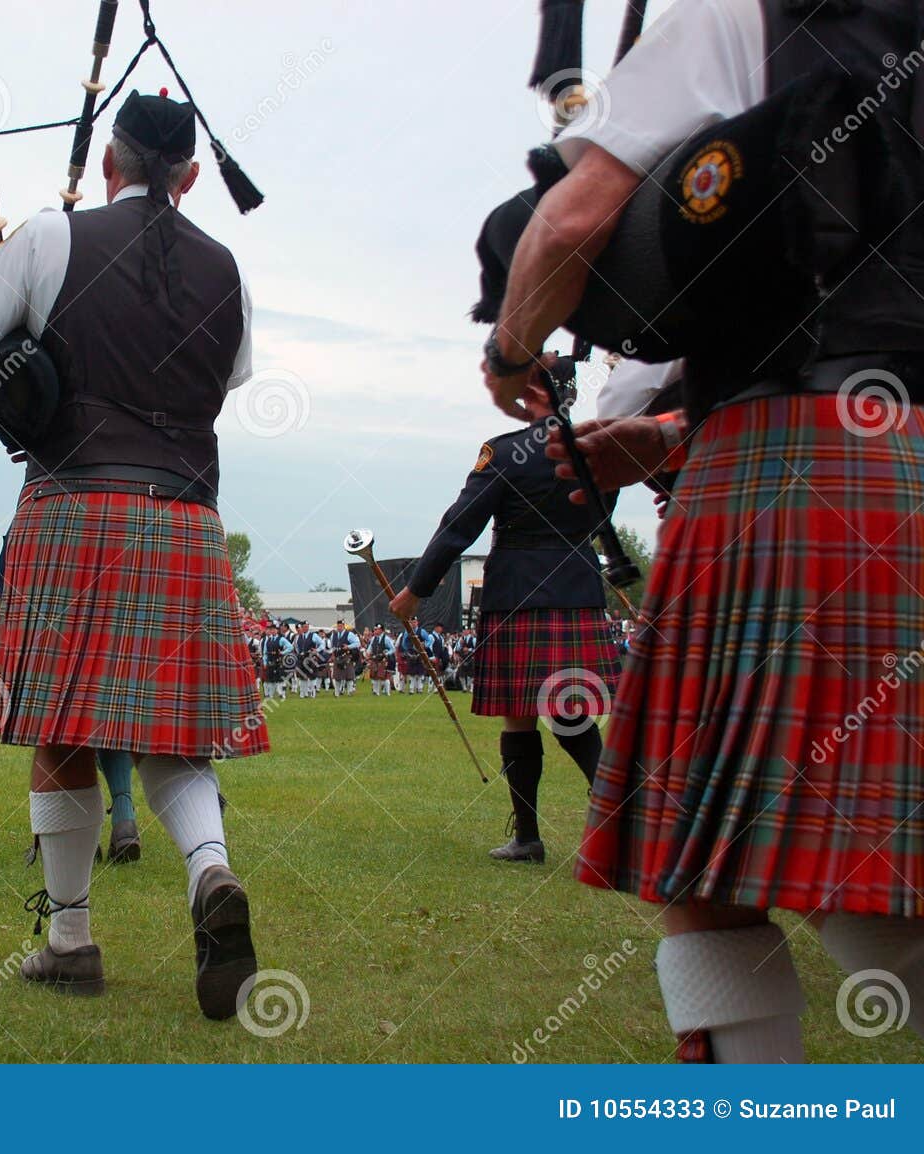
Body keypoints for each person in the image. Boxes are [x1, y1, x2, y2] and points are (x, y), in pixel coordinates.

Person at [489, 0, 924, 1061]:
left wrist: (510, 348)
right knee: (855, 839)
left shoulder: (746, 13)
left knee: (709, 865)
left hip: (802, 467)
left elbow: (575, 218)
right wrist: (675, 426)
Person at [0, 89, 263, 1017]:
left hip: (71, 503)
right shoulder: (228, 271)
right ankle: (210, 870)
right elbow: (217, 384)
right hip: (186, 514)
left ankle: (71, 940)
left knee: (63, 728)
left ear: (110, 165)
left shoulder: (49, 237)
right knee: (173, 728)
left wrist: (11, 416)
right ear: (190, 179)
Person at [393, 383, 620, 863]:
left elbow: (460, 524)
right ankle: (583, 828)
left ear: (535, 390)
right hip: (577, 587)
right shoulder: (598, 445)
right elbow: (604, 513)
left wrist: (416, 589)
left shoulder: (506, 451)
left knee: (528, 714)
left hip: (518, 592)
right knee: (567, 710)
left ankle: (551, 833)